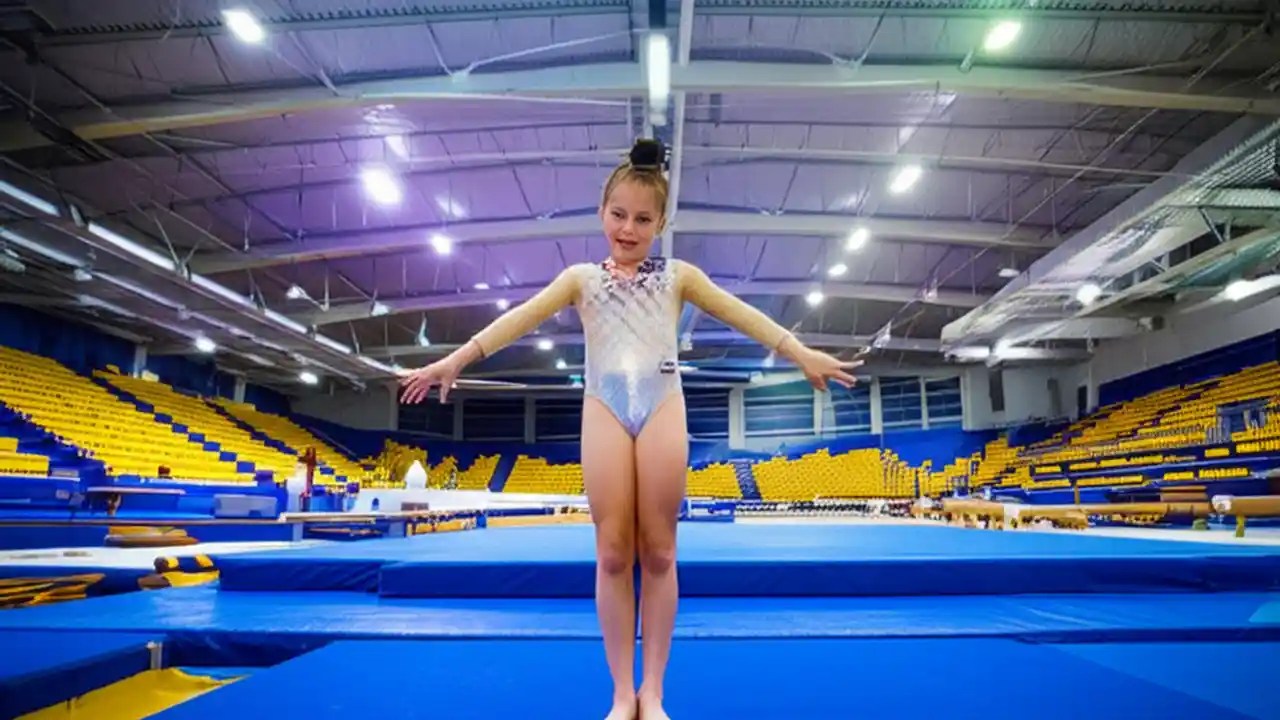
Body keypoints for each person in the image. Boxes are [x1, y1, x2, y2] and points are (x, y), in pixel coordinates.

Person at [399, 138, 862, 719]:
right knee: (613, 553)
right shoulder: (580, 278)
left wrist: (800, 353)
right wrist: (456, 359)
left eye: (643, 218)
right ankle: (622, 693)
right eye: (618, 214)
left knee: (661, 551)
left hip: (663, 403)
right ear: (602, 213)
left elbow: (741, 313)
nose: (628, 227)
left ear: (661, 223)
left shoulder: (679, 276)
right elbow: (518, 319)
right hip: (605, 406)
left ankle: (655, 692)